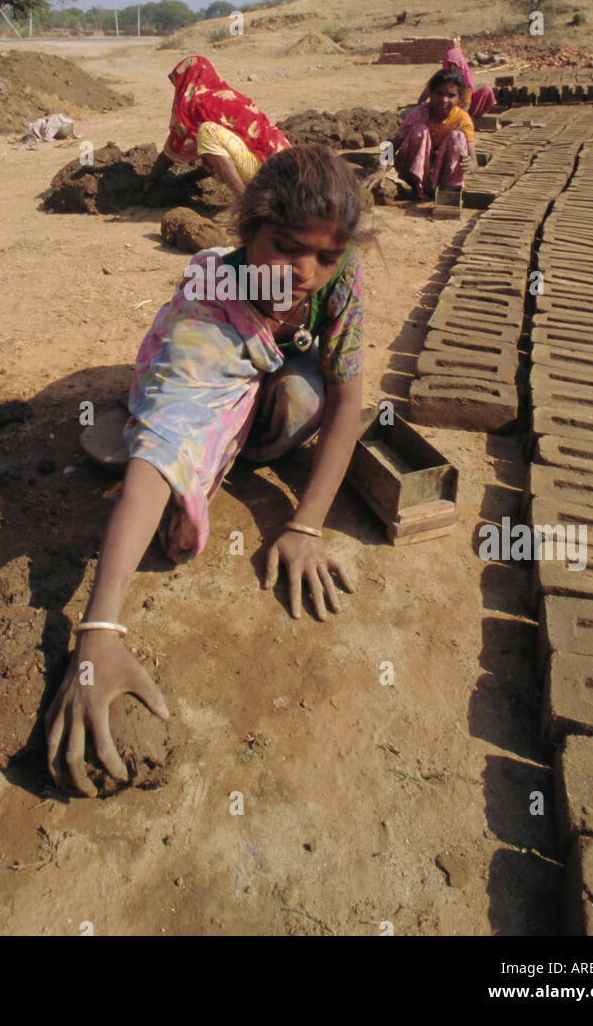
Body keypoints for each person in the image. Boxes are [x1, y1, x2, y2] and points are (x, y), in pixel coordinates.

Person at [46, 144, 364, 794]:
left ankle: (233, 421)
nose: (305, 271)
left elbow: (346, 398)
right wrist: (99, 628)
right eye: (285, 246)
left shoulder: (340, 273)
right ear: (248, 233)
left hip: (277, 361)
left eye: (324, 255)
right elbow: (168, 439)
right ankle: (196, 414)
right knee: (171, 439)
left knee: (301, 405)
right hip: (203, 355)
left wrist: (306, 525)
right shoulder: (212, 299)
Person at [142, 54, 291, 199]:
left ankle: (245, 203)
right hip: (288, 170)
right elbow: (220, 158)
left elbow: (170, 152)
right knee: (212, 141)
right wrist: (185, 179)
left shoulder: (193, 104)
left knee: (207, 132)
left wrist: (152, 178)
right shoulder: (226, 97)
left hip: (267, 173)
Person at [393, 69, 479, 200]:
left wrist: (470, 165)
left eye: (451, 95)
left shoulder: (462, 119)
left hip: (442, 175)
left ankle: (448, 192)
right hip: (412, 172)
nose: (444, 99)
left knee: (458, 137)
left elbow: (474, 163)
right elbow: (393, 144)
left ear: (459, 99)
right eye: (439, 93)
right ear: (431, 95)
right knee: (419, 130)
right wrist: (380, 168)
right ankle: (417, 188)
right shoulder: (418, 114)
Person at [416, 48, 497, 120]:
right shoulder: (440, 77)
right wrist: (422, 111)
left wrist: (457, 118)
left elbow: (466, 105)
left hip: (459, 112)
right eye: (449, 64)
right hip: (441, 110)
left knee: (486, 89)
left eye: (455, 65)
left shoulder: (465, 82)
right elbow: (423, 97)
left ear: (461, 65)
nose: (451, 68)